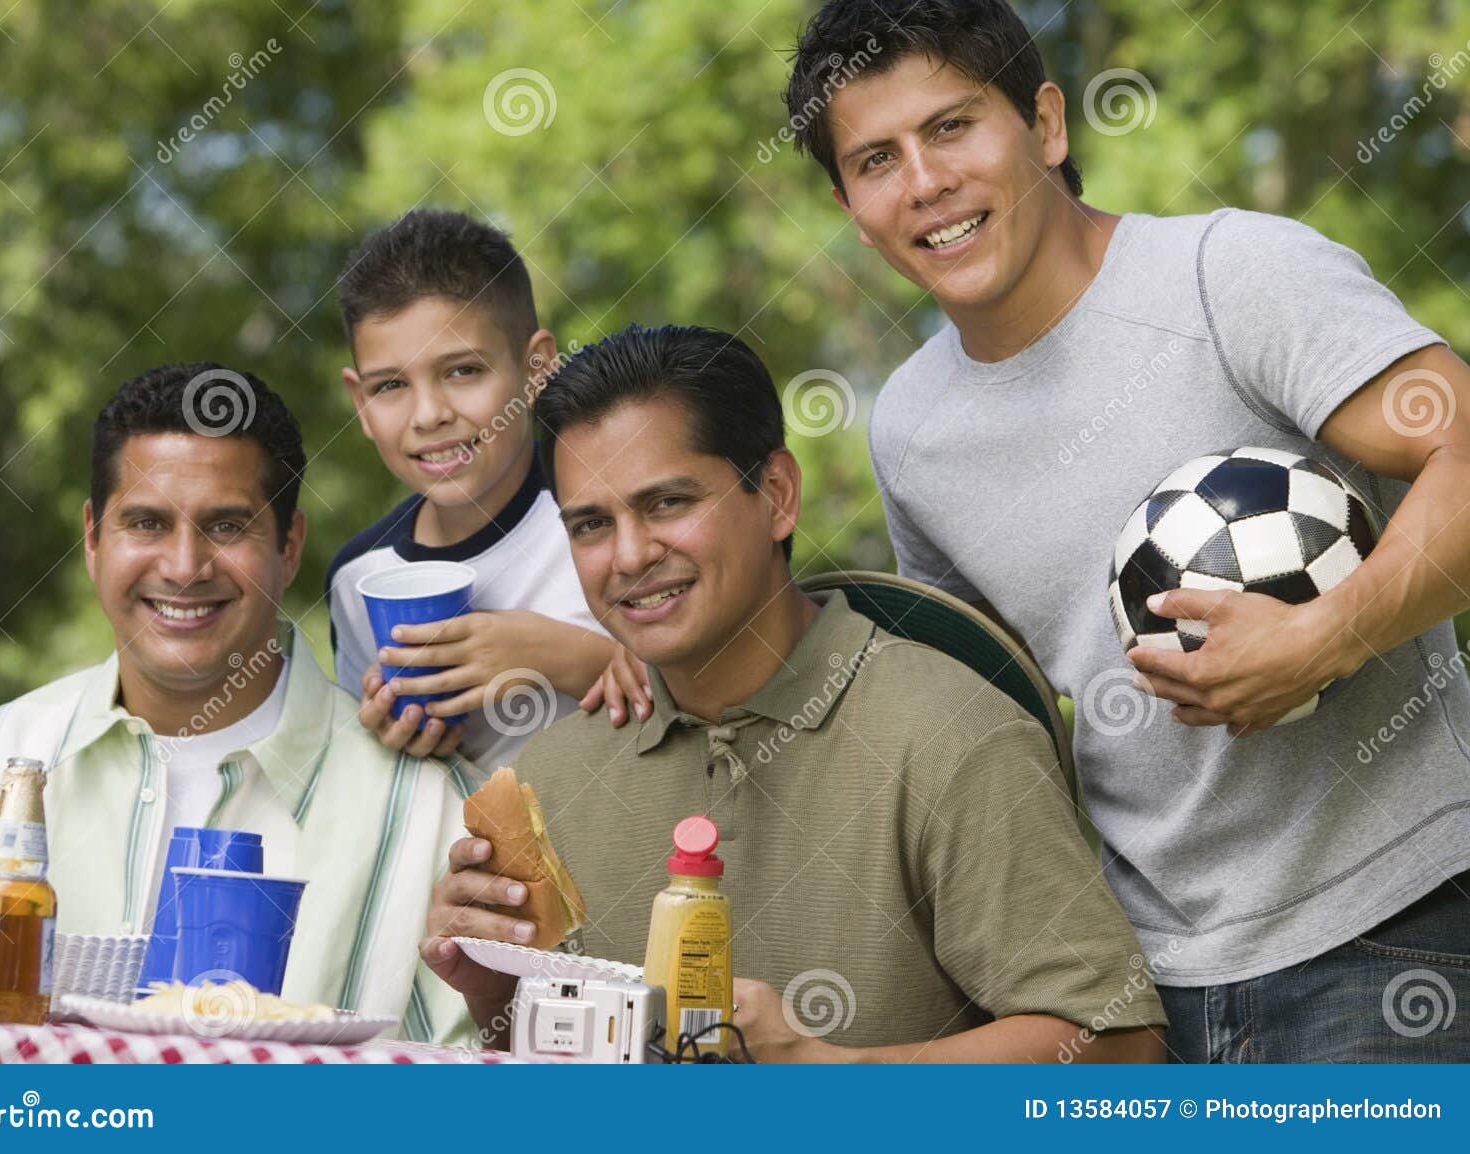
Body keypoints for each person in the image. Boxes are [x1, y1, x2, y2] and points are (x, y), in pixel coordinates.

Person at [787, 0, 1470, 1060]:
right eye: (876, 159)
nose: (923, 182)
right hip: (1148, 987)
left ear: (1046, 127)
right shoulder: (910, 428)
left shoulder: (1230, 275)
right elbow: (982, 719)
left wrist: (1325, 635)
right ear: (849, 204)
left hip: (1396, 931)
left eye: (953, 126)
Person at [420, 323, 1167, 1062]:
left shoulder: (951, 733)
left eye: (669, 504)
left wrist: (827, 1073)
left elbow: (1118, 1047)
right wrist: (495, 992)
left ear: (776, 494)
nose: (629, 555)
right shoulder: (550, 778)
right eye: (590, 524)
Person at [0, 363, 469, 1043]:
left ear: (290, 545)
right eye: (147, 523)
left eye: (225, 526)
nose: (185, 567)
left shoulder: (430, 812)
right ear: (94, 540)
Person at [326, 208, 620, 776]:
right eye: (390, 386)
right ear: (360, 403)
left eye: (462, 371)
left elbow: (714, 689)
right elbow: (375, 792)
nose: (430, 415)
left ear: (536, 369)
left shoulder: (609, 521)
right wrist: (389, 742)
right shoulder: (358, 580)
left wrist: (554, 653)